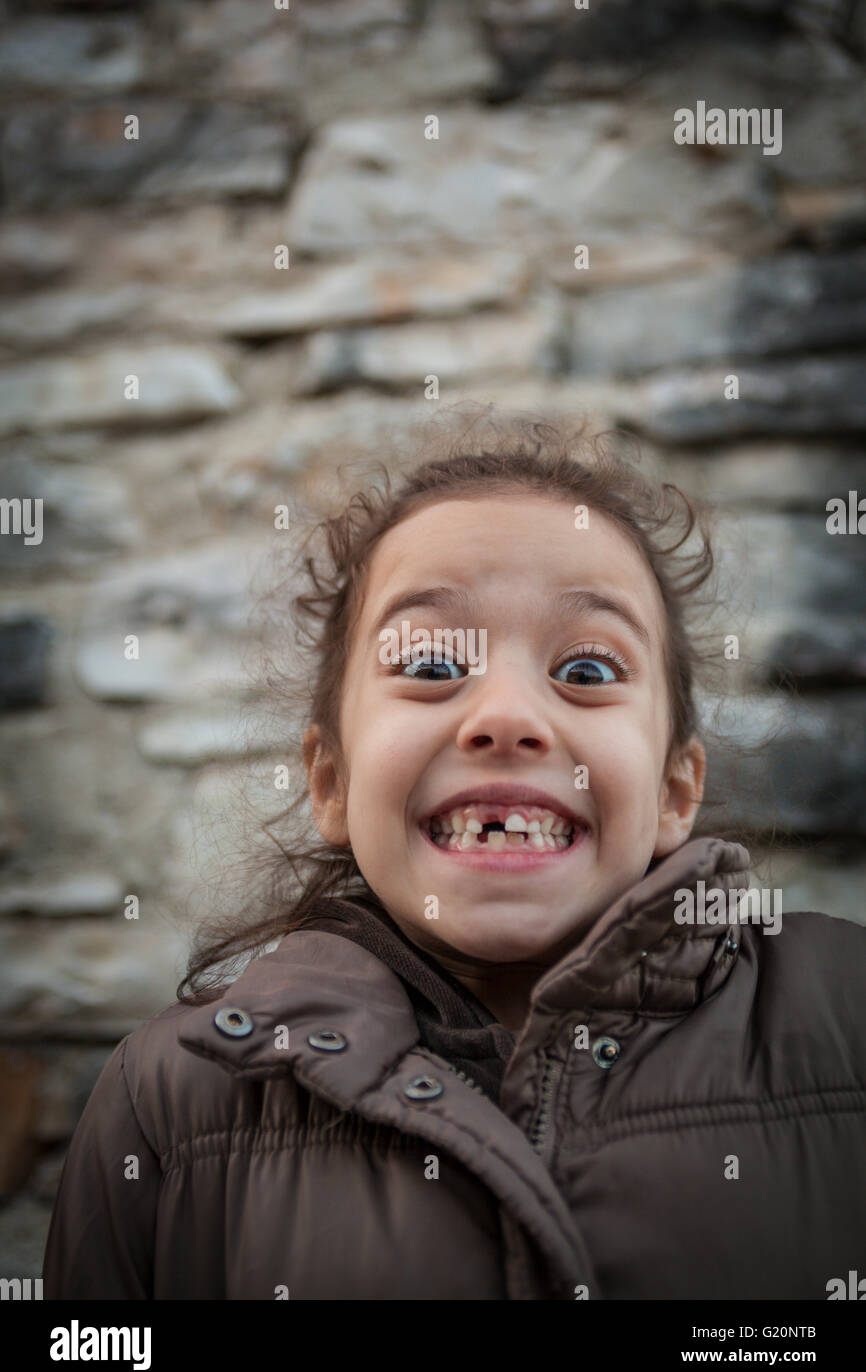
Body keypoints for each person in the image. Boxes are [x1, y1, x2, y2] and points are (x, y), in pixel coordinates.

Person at [42, 417, 866, 1299]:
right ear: (331, 781)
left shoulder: (847, 1016)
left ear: (673, 790)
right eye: (433, 662)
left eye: (586, 672)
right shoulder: (169, 1100)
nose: (507, 715)